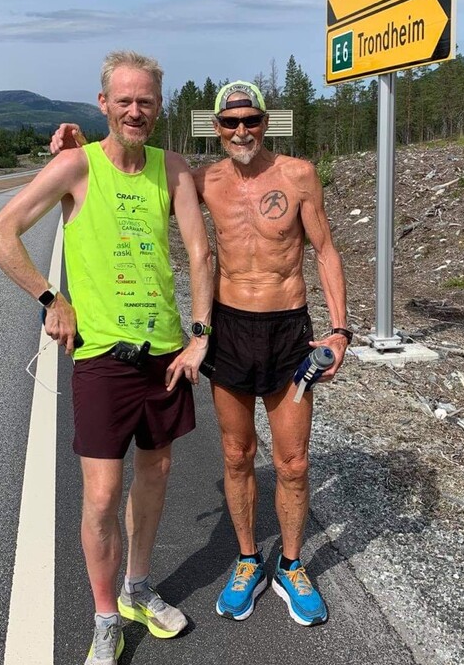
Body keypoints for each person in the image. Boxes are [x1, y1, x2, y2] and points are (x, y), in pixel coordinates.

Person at [51, 80, 349, 628]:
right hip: (231, 330)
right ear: (217, 128)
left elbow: (325, 251)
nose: (242, 131)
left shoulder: (299, 175)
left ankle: (290, 564)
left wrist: (339, 331)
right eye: (230, 123)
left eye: (251, 120)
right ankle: (245, 561)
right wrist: (81, 150)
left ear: (266, 121)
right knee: (236, 456)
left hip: (289, 331)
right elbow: (128, 182)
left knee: (294, 462)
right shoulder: (201, 179)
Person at [0, 50, 213, 665]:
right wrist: (50, 298)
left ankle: (140, 587)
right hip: (101, 359)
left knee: (157, 474)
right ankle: (105, 621)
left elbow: (199, 252)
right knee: (103, 495)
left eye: (146, 100)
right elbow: (0, 233)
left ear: (158, 106)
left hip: (166, 352)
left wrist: (200, 336)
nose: (135, 110)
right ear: (104, 103)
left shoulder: (172, 168)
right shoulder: (77, 165)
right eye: (124, 99)